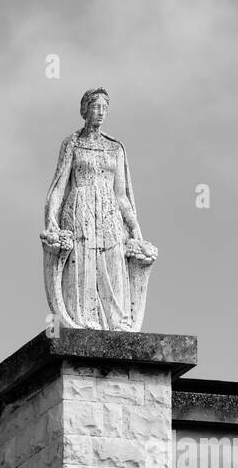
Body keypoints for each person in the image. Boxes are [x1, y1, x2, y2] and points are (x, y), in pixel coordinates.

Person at [41, 88, 156, 330]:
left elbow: (122, 195)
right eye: (96, 107)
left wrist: (135, 229)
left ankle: (116, 322)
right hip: (80, 209)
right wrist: (52, 219)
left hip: (109, 213)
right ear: (85, 110)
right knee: (83, 267)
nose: (101, 112)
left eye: (105, 108)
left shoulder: (116, 148)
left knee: (113, 265)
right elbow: (60, 186)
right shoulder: (73, 143)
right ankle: (85, 321)